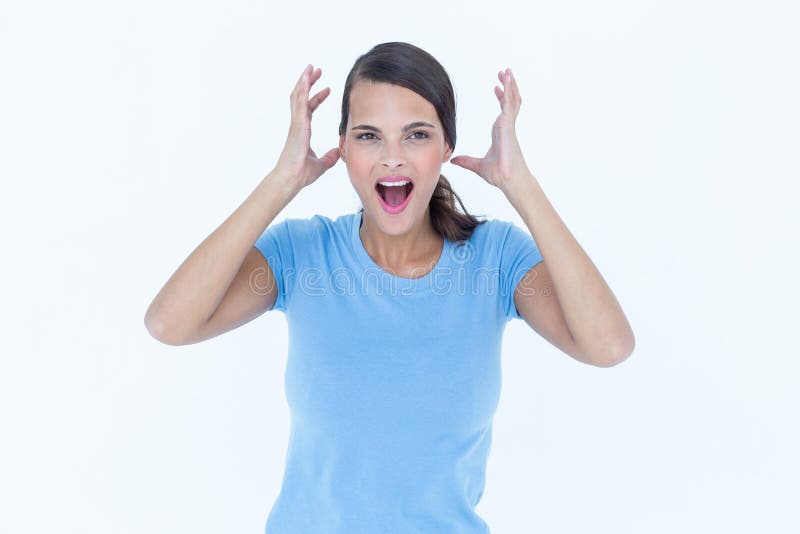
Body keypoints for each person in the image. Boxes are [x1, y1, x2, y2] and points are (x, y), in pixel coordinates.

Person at [144, 41, 635, 534]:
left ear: (447, 146)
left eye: (417, 135)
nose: (392, 159)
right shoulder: (303, 256)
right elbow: (170, 323)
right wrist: (282, 180)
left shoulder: (496, 261)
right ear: (343, 147)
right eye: (369, 136)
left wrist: (519, 183)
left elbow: (608, 345)